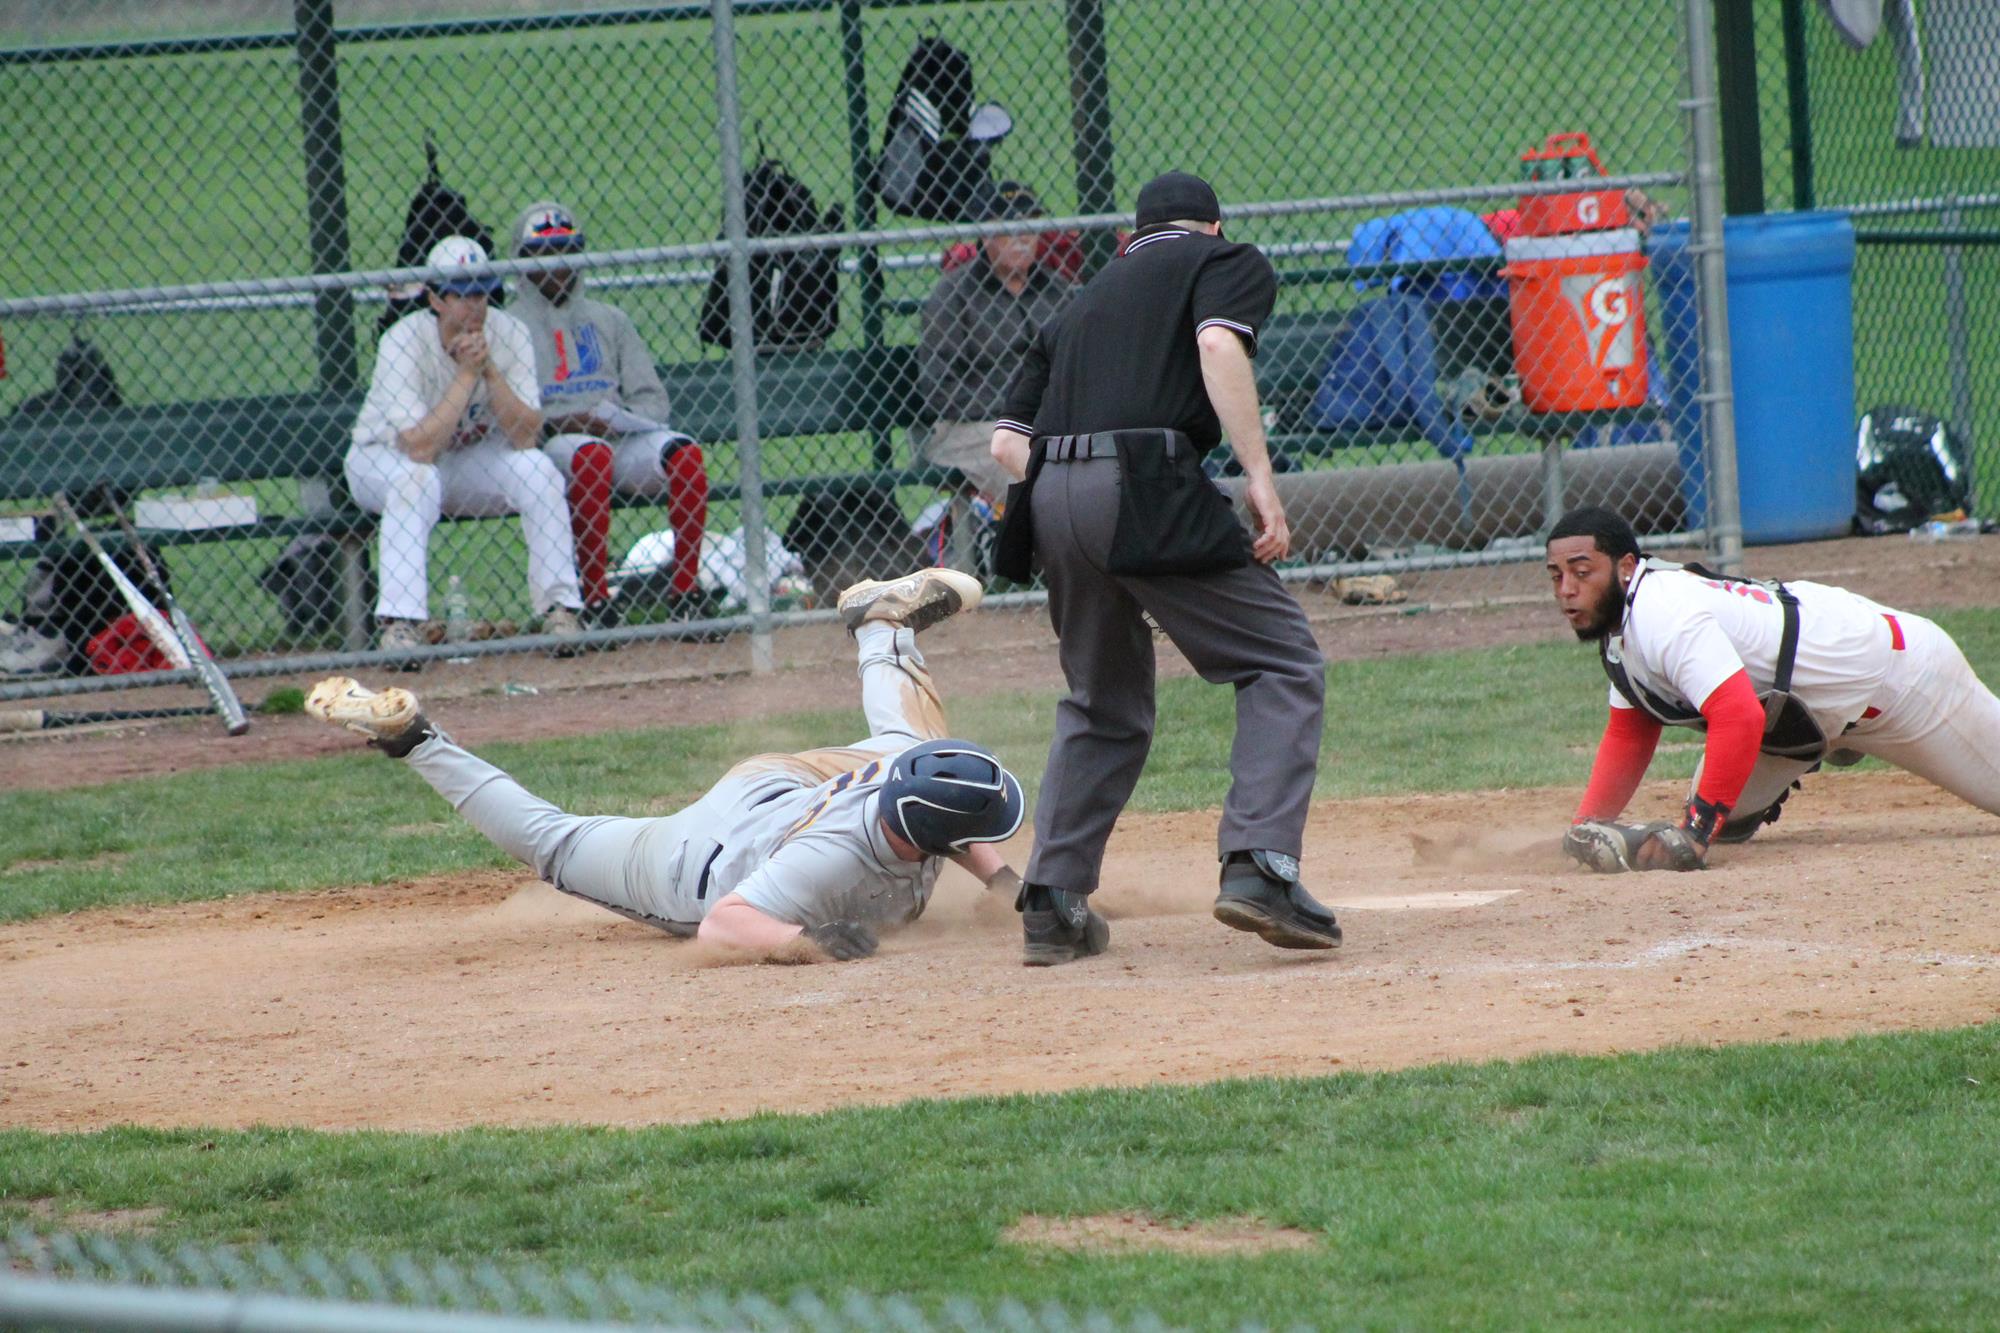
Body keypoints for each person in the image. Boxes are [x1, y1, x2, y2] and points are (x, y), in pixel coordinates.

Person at [304, 568, 1030, 960]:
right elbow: (726, 923)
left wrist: (1005, 883)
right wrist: (803, 941)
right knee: (554, 843)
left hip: (783, 786)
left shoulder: (911, 793)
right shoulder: (831, 860)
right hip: (700, 863)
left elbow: (944, 805)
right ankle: (416, 739)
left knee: (912, 746)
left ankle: (881, 624)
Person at [988, 170, 1338, 966]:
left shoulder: (1080, 300)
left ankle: (1051, 899)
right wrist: (1259, 478)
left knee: (1104, 702)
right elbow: (1217, 344)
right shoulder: (1224, 261)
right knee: (1282, 657)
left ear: (1131, 238)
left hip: (1047, 497)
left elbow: (1007, 445)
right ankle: (1261, 865)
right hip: (1140, 479)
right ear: (1211, 227)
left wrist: (1078, 500)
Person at [1547, 505, 2000, 873]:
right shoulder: (1624, 633)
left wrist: (1694, 833)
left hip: (1901, 681)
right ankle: (1804, 750)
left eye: (1582, 572)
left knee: (1705, 819)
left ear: (1626, 566)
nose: (1567, 590)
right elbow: (1630, 734)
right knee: (1725, 815)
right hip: (1798, 716)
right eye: (1556, 576)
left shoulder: (1661, 613)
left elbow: (1739, 717)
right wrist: (1589, 824)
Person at [347, 235, 585, 664]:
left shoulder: (509, 333)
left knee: (537, 468)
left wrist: (490, 371)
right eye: (461, 294)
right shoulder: (402, 341)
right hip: (381, 460)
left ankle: (559, 610)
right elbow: (418, 447)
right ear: (435, 299)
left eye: (482, 292)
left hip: (461, 461)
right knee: (415, 479)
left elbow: (525, 435)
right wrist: (464, 376)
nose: (475, 305)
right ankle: (401, 624)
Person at [508, 201, 712, 624]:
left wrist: (619, 417)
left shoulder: (610, 320)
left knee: (685, 455)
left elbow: (654, 402)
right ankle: (596, 598)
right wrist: (564, 423)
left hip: (618, 437)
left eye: (566, 250)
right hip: (556, 447)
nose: (557, 264)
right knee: (590, 455)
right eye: (543, 254)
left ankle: (686, 592)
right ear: (522, 260)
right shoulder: (510, 326)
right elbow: (511, 422)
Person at [917, 182, 1076, 513]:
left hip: (1050, 422)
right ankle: (1048, 550)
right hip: (971, 427)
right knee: (1027, 465)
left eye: (1030, 226)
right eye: (1009, 228)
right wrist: (1013, 411)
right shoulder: (954, 294)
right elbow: (939, 386)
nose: (1022, 237)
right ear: (985, 234)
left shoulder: (1057, 291)